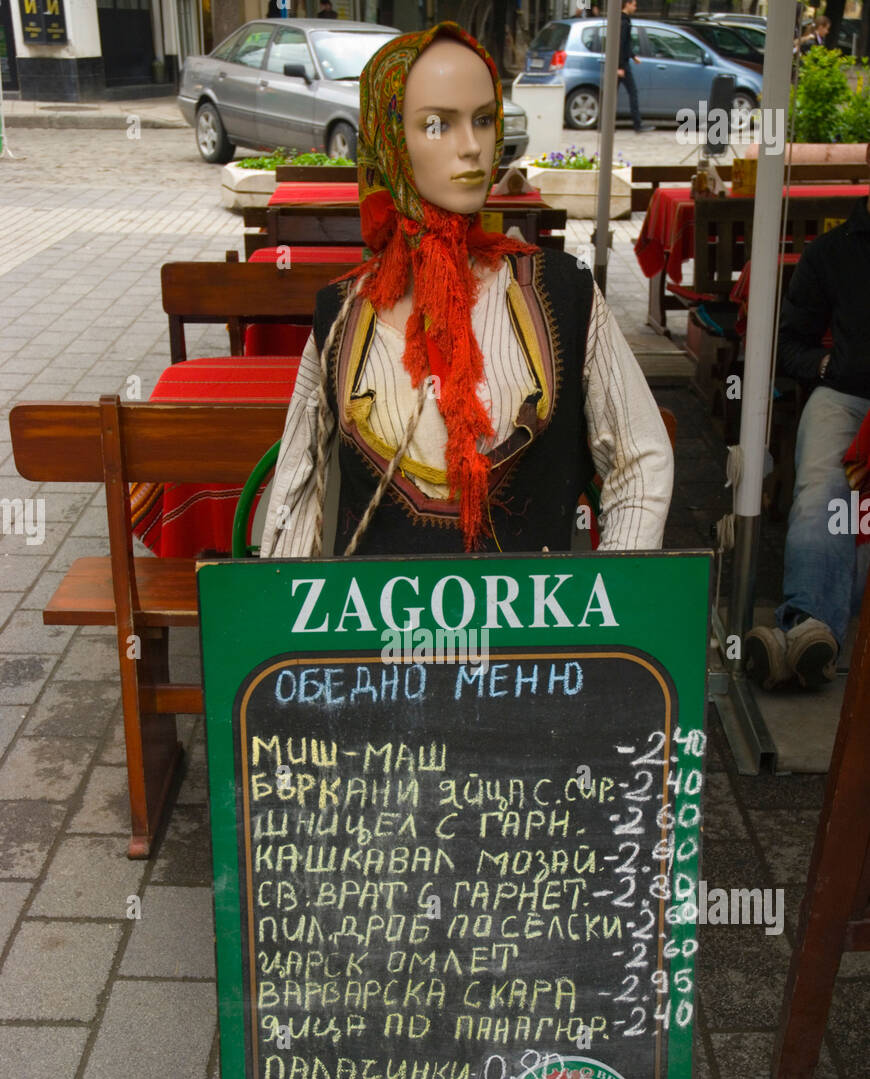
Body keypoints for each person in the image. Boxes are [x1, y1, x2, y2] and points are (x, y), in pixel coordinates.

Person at [259, 22, 672, 561]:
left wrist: (603, 604)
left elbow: (642, 459)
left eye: (483, 119)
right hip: (381, 637)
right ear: (389, 140)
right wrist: (293, 617)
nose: (473, 147)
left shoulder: (565, 294)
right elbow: (295, 487)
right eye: (438, 124)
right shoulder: (341, 315)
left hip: (533, 637)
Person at [744, 192, 870, 690]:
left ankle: (808, 638)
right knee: (823, 496)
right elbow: (788, 342)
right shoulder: (832, 252)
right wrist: (828, 368)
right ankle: (807, 629)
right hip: (846, 396)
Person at [618, 1, 654, 134]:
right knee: (633, 93)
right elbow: (620, 44)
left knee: (612, 95)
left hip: (622, 62)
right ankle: (637, 125)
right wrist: (620, 66)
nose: (635, 7)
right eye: (634, 4)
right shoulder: (624, 22)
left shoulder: (623, 20)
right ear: (627, 4)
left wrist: (633, 56)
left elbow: (625, 44)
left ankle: (605, 125)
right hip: (622, 64)